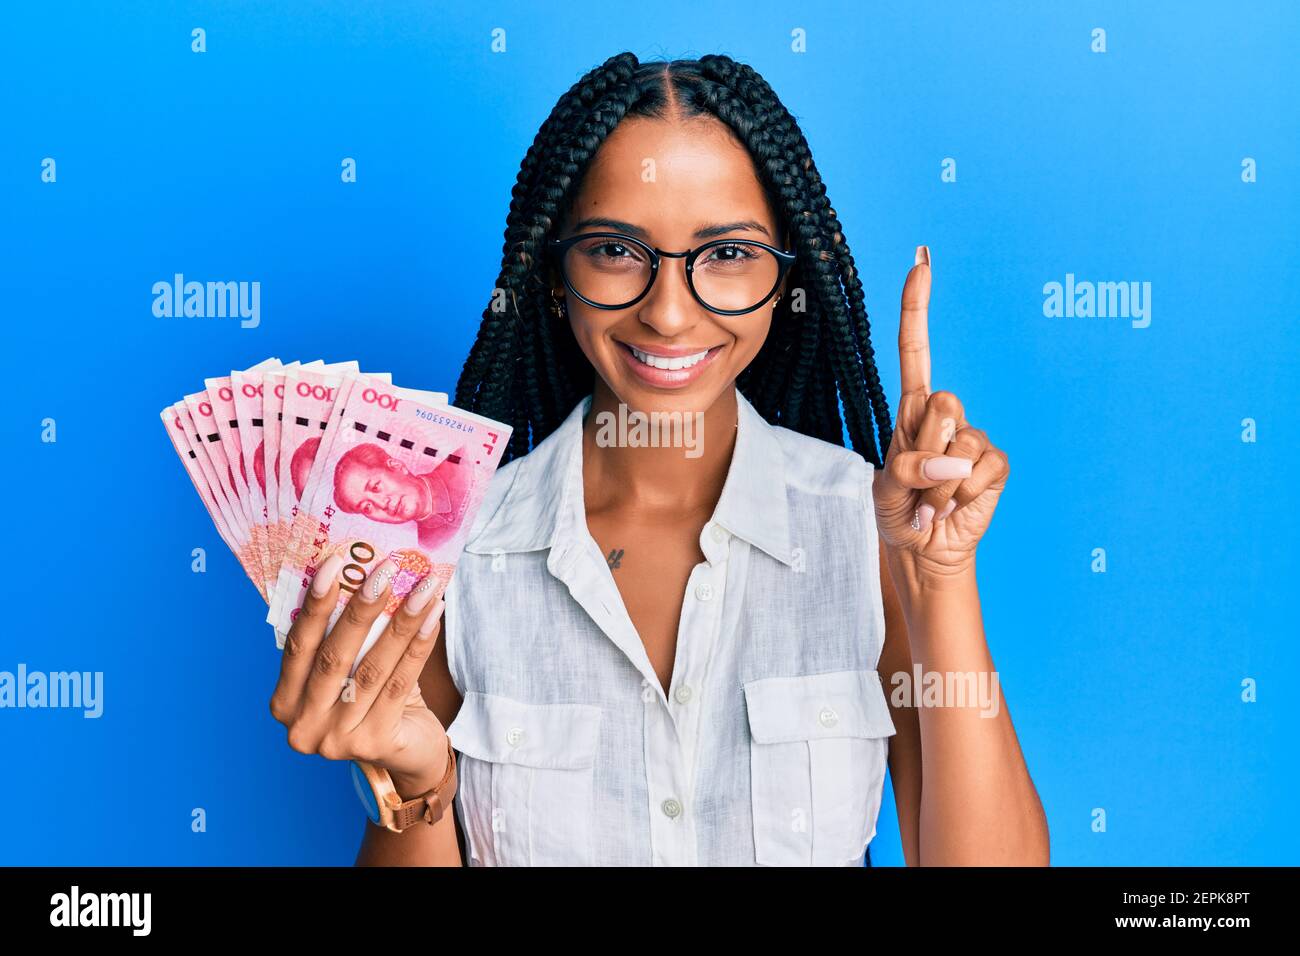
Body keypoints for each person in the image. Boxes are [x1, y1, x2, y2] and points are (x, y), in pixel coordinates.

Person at [269, 51, 1049, 866]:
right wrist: (413, 789)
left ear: (786, 276)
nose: (670, 313)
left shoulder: (870, 534)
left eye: (728, 255)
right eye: (614, 250)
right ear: (554, 272)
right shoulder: (451, 557)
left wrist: (938, 581)